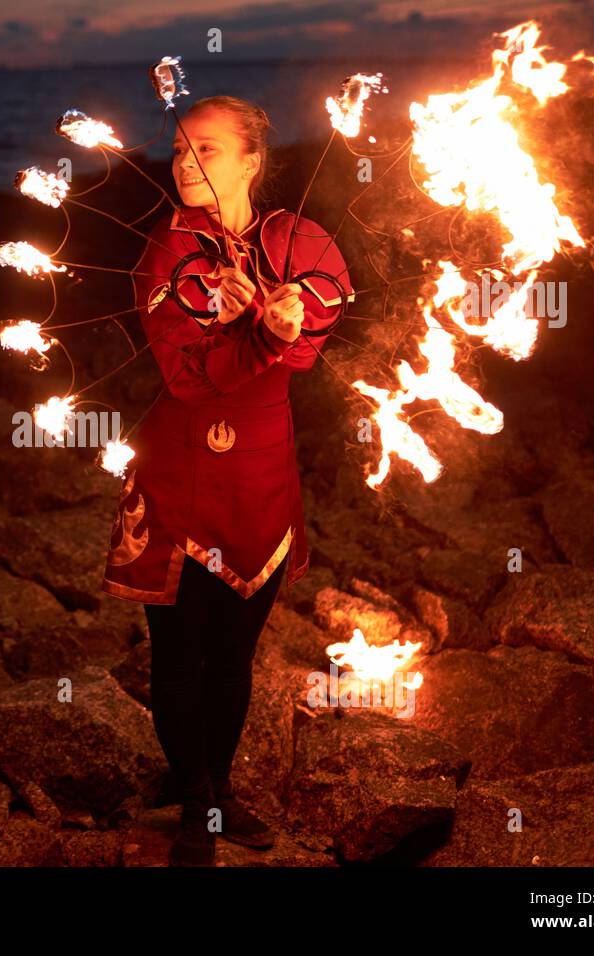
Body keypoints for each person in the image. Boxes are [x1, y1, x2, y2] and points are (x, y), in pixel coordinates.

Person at [100, 96, 352, 866]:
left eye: (206, 150)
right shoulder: (165, 252)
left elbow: (318, 323)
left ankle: (220, 783)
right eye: (178, 150)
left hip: (262, 468)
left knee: (235, 655)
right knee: (179, 653)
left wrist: (282, 320)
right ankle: (197, 803)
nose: (184, 164)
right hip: (182, 468)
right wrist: (258, 335)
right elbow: (185, 377)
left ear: (251, 161)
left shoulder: (299, 237)